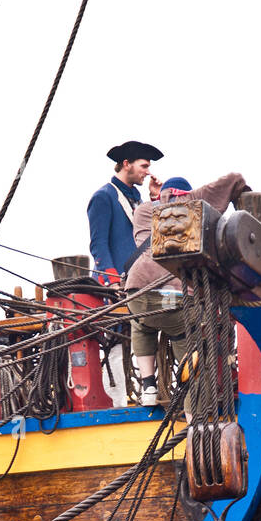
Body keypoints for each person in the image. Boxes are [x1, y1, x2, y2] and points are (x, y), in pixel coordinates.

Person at [125, 172, 251, 405]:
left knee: (140, 323)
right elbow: (234, 179)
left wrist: (159, 197)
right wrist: (246, 201)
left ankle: (148, 386)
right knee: (192, 358)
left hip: (137, 294)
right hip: (175, 300)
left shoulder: (143, 212)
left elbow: (159, 207)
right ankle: (194, 419)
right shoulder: (193, 203)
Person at [87, 141, 163, 408]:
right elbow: (98, 245)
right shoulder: (104, 197)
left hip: (140, 281)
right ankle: (118, 401)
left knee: (145, 333)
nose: (147, 172)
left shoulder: (137, 200)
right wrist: (110, 281)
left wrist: (155, 200)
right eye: (144, 166)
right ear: (127, 164)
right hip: (118, 282)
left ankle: (146, 390)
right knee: (116, 340)